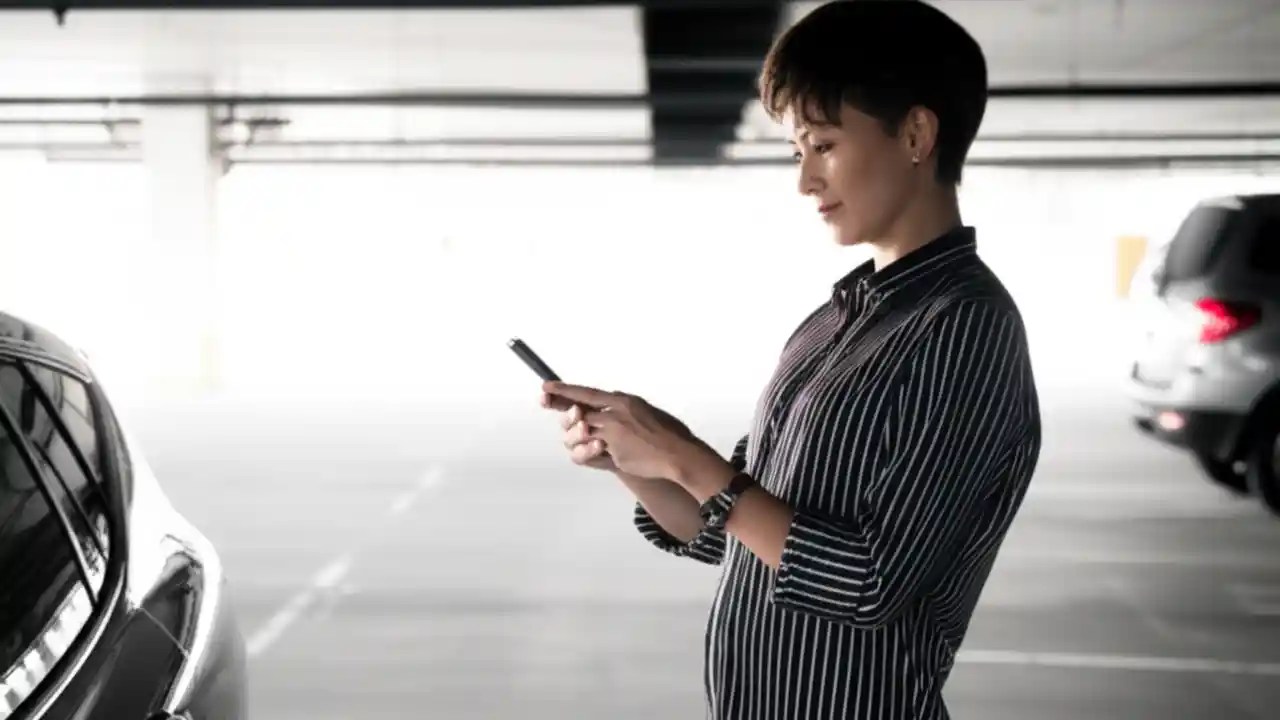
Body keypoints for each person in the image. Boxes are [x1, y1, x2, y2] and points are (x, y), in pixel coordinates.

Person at [539, 1, 1041, 718]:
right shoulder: (834, 323)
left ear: (916, 134)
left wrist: (686, 457)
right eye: (796, 150)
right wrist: (634, 458)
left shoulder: (965, 327)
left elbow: (871, 584)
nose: (805, 180)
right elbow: (727, 533)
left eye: (825, 144)